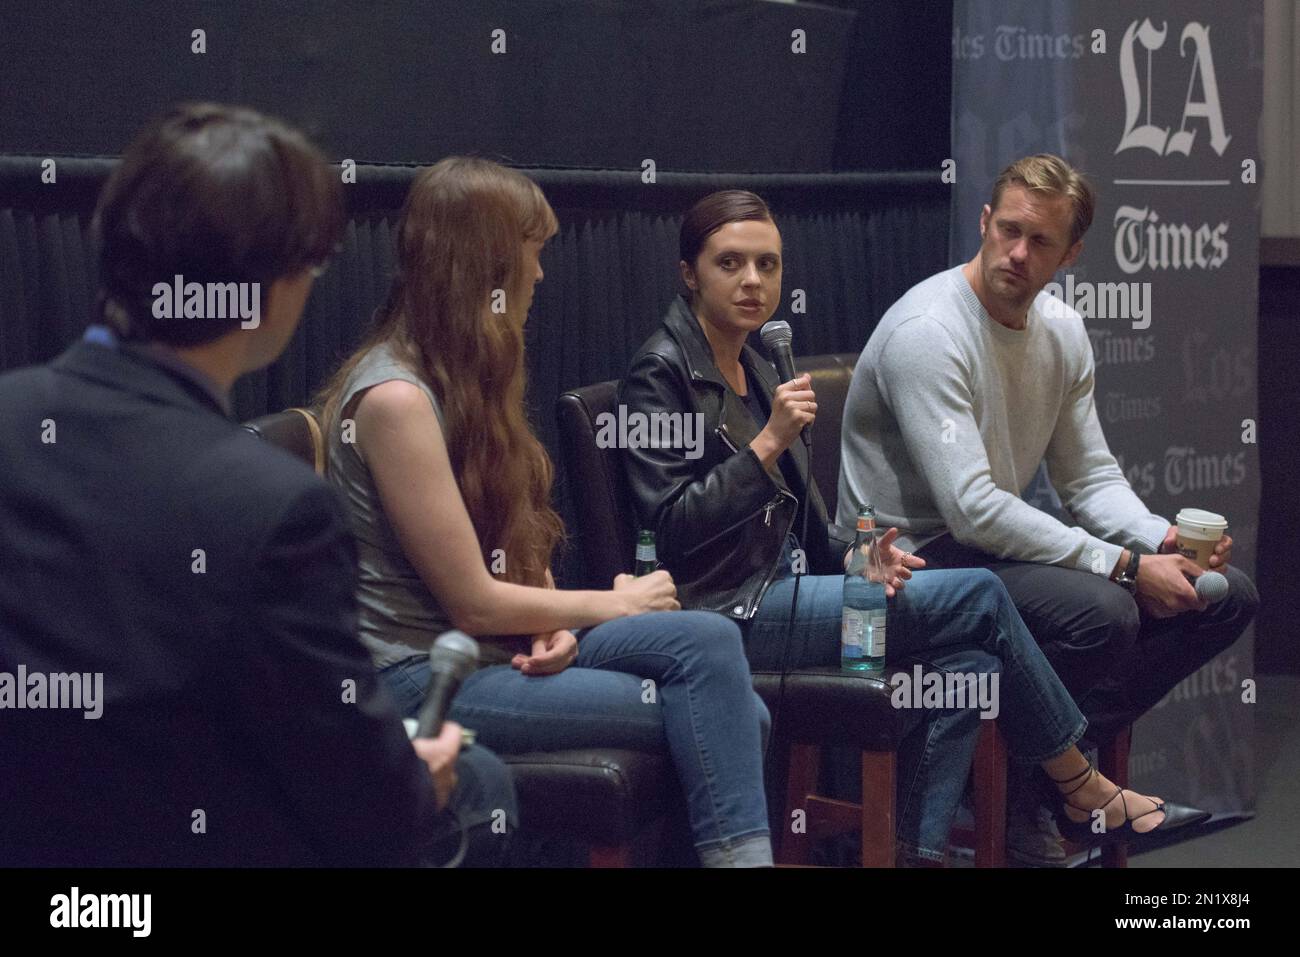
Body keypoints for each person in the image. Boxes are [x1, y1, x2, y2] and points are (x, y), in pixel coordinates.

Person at [0, 103, 513, 867]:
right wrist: (418, 778)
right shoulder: (276, 506)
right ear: (275, 290)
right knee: (475, 784)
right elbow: (366, 797)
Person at [617, 189, 1182, 867]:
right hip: (721, 613)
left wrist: (861, 558)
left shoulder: (762, 364)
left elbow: (803, 524)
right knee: (976, 594)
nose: (752, 281)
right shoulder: (661, 372)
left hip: (792, 596)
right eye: (730, 263)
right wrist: (765, 446)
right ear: (689, 272)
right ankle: (1078, 781)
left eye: (767, 265)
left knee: (968, 666)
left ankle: (913, 853)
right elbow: (668, 529)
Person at [316, 156, 774, 868]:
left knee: (709, 645)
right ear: (486, 265)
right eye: (533, 255)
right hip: (420, 674)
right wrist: (614, 605)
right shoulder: (396, 400)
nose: (540, 275)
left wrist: (555, 618)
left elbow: (505, 549)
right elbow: (470, 601)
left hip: (497, 651)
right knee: (735, 711)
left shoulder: (467, 373)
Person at [837, 153, 1259, 863]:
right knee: (1105, 610)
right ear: (983, 221)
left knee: (1222, 595)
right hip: (904, 560)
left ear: (1072, 254)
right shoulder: (929, 332)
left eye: (1040, 242)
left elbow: (1089, 478)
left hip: (983, 550)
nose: (1017, 253)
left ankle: (1035, 772)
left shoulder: (1060, 332)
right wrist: (1127, 567)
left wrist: (1160, 539)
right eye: (1007, 230)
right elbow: (970, 509)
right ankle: (1052, 786)